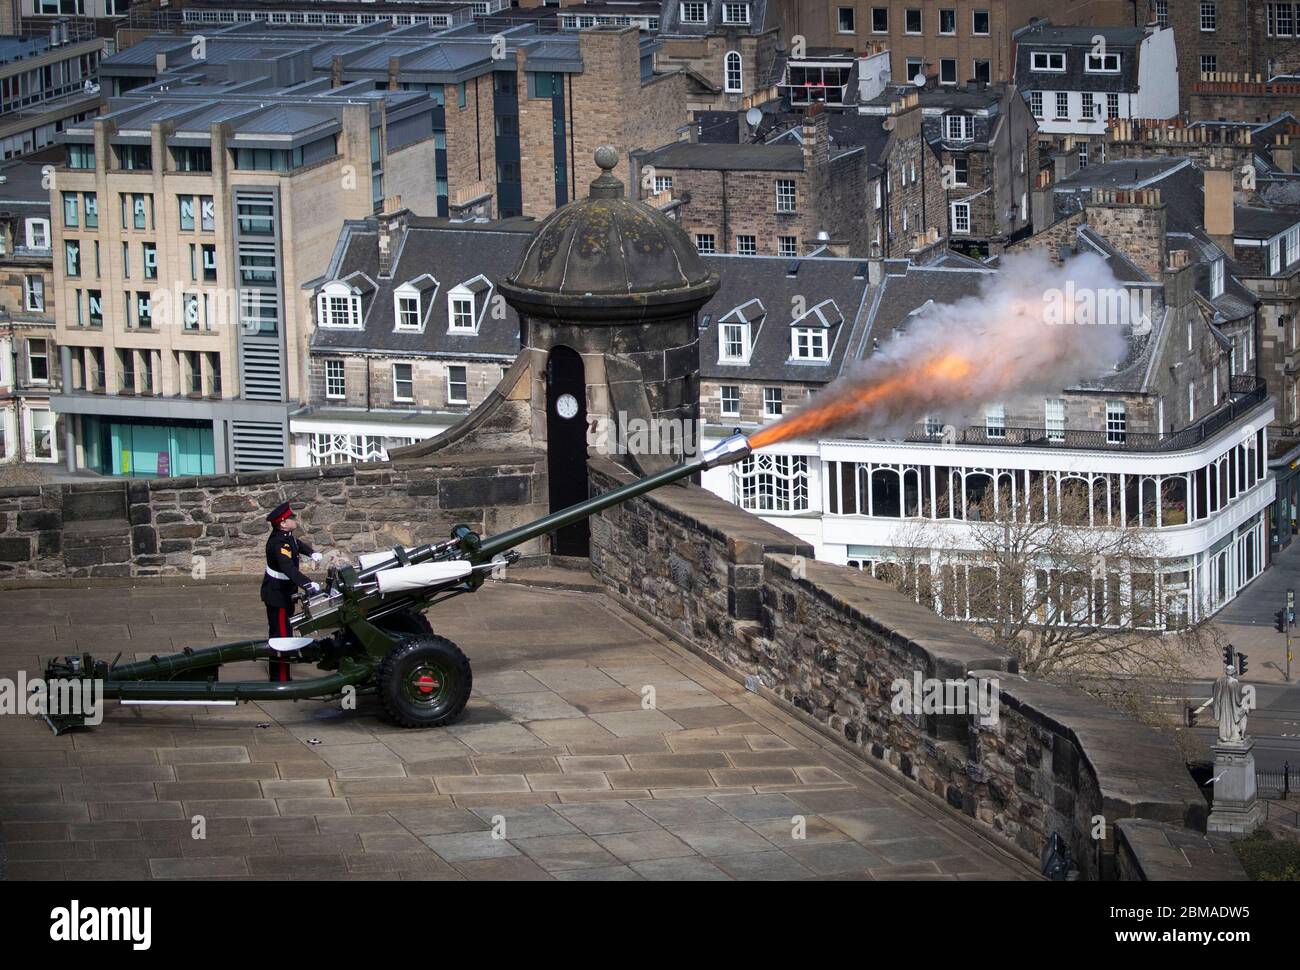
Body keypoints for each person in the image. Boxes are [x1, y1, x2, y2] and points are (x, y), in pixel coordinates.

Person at [260, 502, 323, 683]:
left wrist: (311, 553)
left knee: (285, 630)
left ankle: (282, 673)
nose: (295, 519)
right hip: (277, 594)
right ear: (283, 523)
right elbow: (288, 568)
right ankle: (279, 677)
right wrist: (308, 584)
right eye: (291, 518)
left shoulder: (286, 536)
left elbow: (297, 544)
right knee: (281, 635)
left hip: (284, 592)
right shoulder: (278, 543)